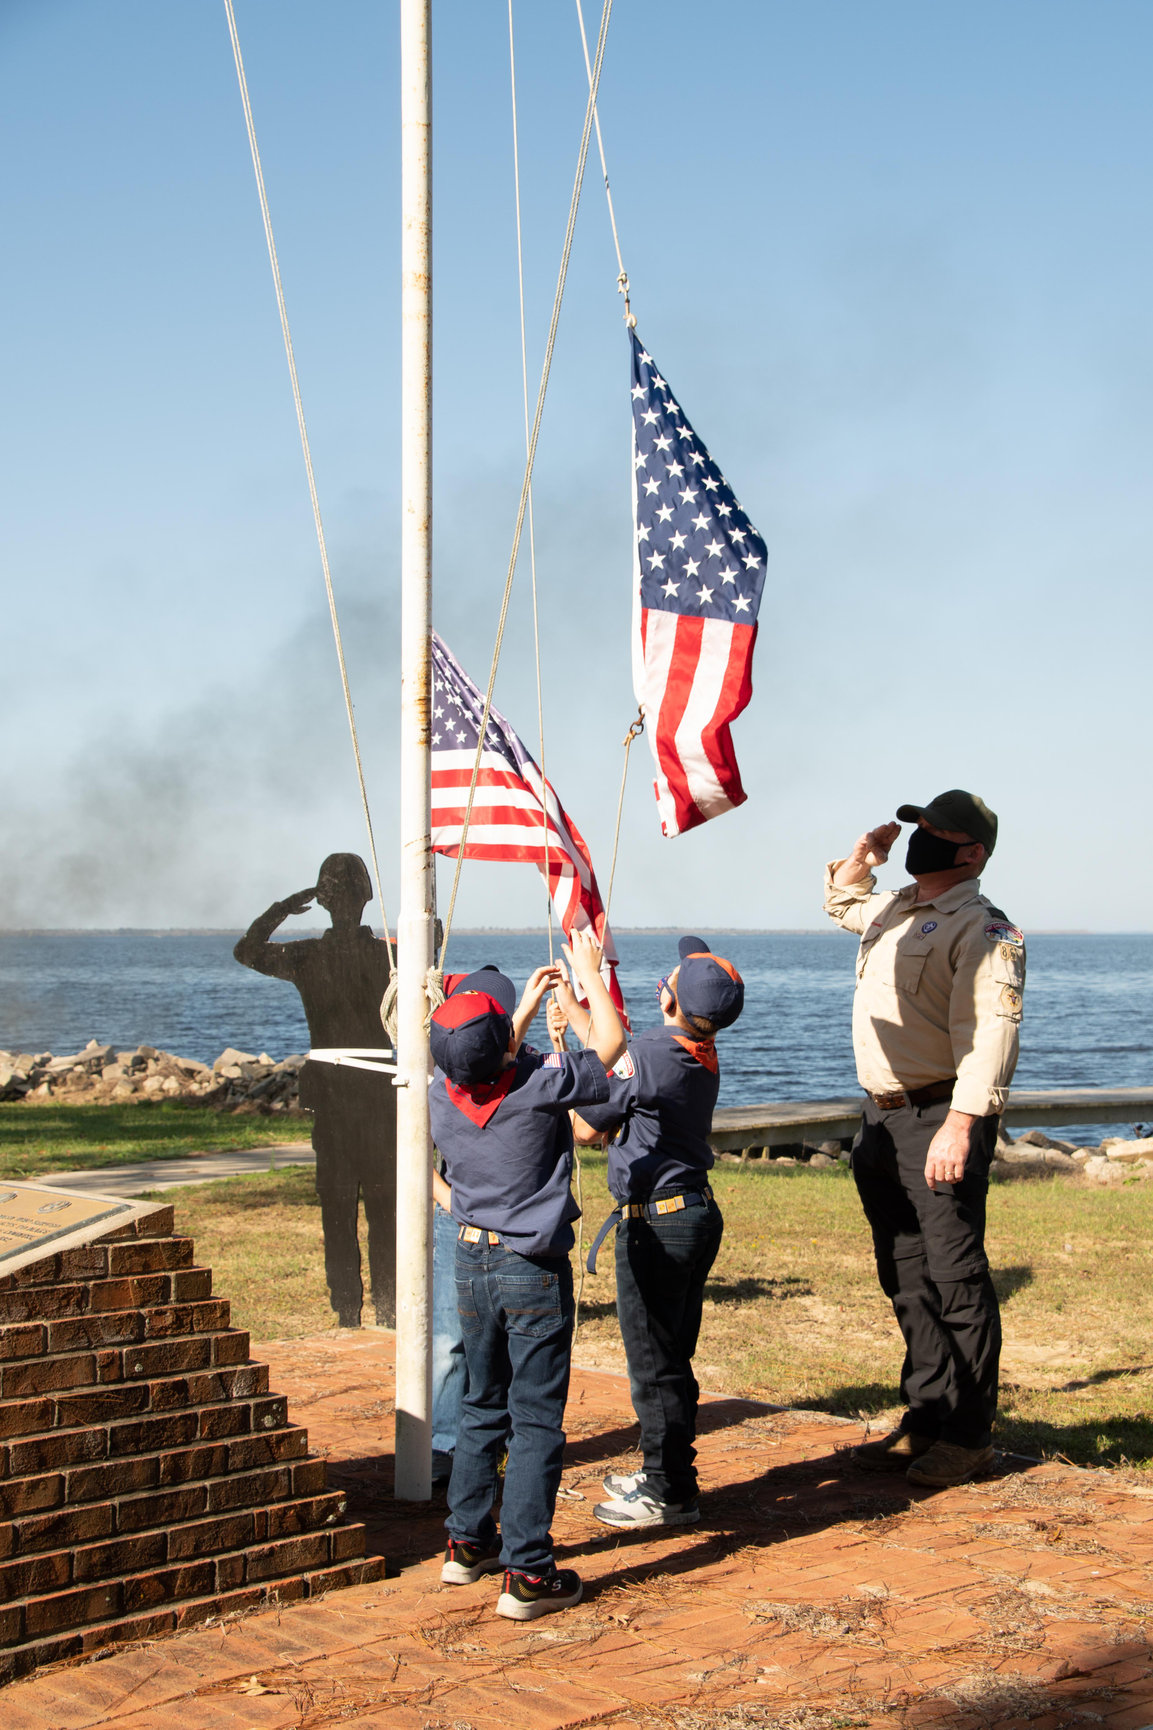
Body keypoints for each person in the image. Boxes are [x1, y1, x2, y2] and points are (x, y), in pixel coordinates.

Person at [823, 790, 1025, 1489]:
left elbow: (992, 1033)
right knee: (905, 1275)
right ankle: (926, 1416)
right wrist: (860, 859)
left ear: (970, 853)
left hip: (939, 1116)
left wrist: (961, 1126)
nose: (921, 841)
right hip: (880, 1117)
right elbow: (843, 905)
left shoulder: (982, 928)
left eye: (937, 834)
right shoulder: (899, 908)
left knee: (955, 1274)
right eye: (920, 830)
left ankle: (969, 1437)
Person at [430, 931, 625, 1621]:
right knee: (536, 1420)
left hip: (470, 1259)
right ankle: (527, 1572)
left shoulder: (439, 1092)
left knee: (483, 1404)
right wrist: (585, 979)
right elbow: (609, 1044)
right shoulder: (542, 1086)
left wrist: (511, 1023)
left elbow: (478, 1061)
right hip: (529, 1266)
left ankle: (465, 1542)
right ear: (504, 1049)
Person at [559, 936, 745, 1530]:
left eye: (670, 976)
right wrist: (579, 1008)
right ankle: (668, 1472)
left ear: (670, 1000)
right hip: (690, 1213)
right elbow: (626, 1061)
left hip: (658, 1223)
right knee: (673, 1355)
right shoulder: (694, 1046)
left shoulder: (654, 1052)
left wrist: (589, 976)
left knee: (655, 1363)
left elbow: (589, 1127)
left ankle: (669, 1492)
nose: (664, 978)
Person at [234, 854, 395, 1326]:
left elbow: (247, 950)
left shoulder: (305, 955)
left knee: (338, 1209)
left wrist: (284, 907)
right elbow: (436, 942)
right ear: (367, 896)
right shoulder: (391, 955)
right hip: (380, 1092)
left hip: (332, 1098)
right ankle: (386, 1308)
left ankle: (347, 1311)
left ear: (321, 900)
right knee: (385, 1208)